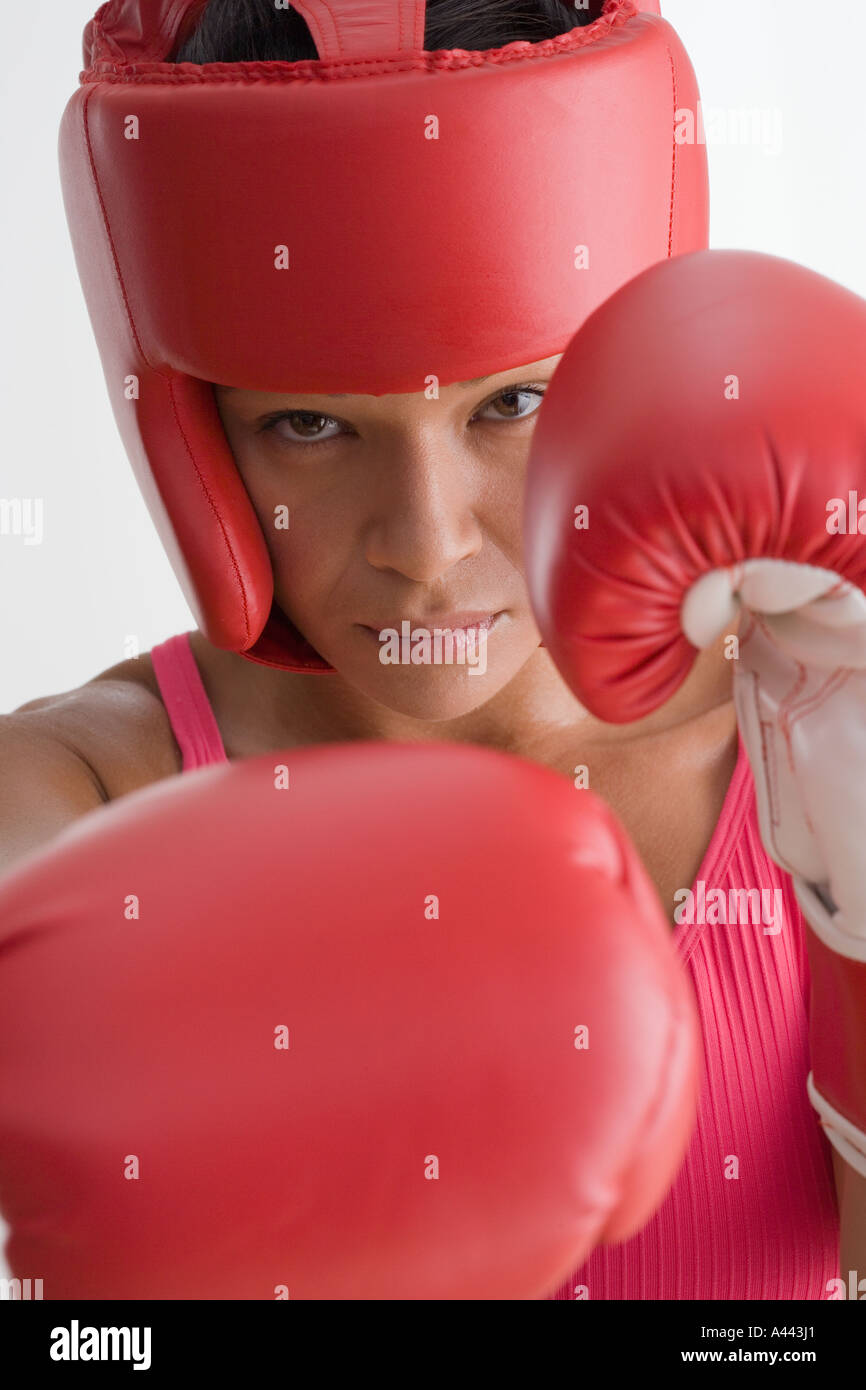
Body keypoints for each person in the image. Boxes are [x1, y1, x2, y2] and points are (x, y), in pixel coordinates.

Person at [0, 0, 847, 1298]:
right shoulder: (81, 798)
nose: (424, 542)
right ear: (191, 431)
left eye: (509, 401)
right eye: (308, 426)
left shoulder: (820, 733)